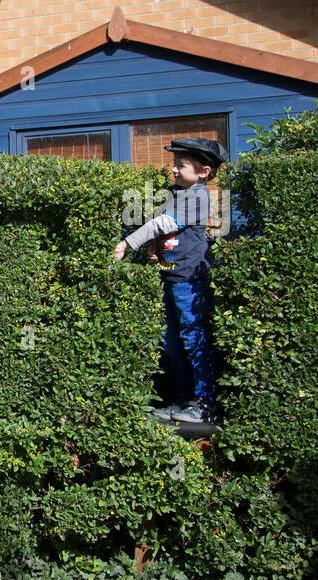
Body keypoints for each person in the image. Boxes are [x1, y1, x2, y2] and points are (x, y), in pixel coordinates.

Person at [113, 137, 229, 424]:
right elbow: (168, 228)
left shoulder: (199, 196)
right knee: (171, 341)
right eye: (174, 165)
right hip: (171, 275)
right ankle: (183, 399)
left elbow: (162, 223)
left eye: (181, 166)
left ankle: (204, 404)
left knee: (192, 339)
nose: (174, 170)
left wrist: (128, 243)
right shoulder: (179, 193)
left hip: (188, 279)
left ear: (203, 171)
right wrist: (155, 246)